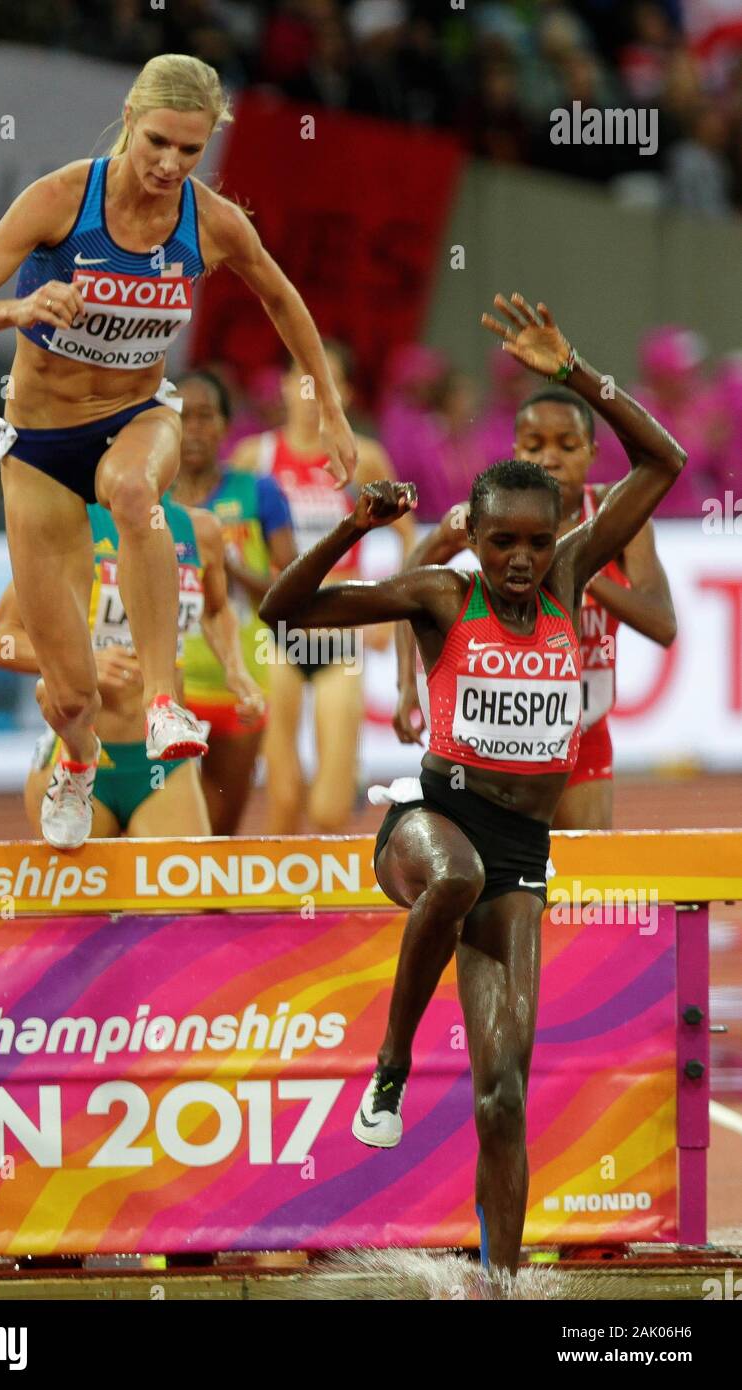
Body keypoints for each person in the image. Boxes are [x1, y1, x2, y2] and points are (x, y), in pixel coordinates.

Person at [259, 293, 686, 1275]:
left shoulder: (573, 572)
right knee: (449, 878)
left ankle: (500, 1283)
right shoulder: (439, 594)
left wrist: (578, 368)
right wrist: (350, 528)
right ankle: (390, 1070)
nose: (523, 562)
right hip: (426, 823)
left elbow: (660, 463)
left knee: (503, 1096)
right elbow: (287, 612)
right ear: (474, 539)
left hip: (518, 857)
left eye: (537, 542)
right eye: (503, 543)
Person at [0, 53, 356, 848]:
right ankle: (79, 759)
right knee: (74, 694)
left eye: (190, 150)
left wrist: (325, 406)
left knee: (132, 491)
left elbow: (283, 298)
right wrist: (22, 306)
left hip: (136, 416)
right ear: (128, 118)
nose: (169, 164)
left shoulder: (211, 221)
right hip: (39, 441)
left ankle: (165, 703)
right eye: (158, 141)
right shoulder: (60, 199)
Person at [393, 385, 677, 829]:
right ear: (515, 450)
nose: (550, 457)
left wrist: (582, 573)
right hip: (496, 741)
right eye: (534, 445)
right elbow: (410, 577)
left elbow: (662, 624)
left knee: (587, 888)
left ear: (591, 451)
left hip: (583, 730)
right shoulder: (484, 516)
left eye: (567, 445)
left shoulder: (614, 517)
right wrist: (405, 682)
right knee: (501, 885)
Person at [0, 493, 263, 840]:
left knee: (185, 890)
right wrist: (80, 663)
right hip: (79, 762)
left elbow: (216, 609)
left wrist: (235, 669)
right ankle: (78, 760)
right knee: (85, 895)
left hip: (163, 762)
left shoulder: (199, 529)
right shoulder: (73, 527)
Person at [232, 342, 416, 833]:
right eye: (305, 379)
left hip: (340, 633)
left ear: (346, 395)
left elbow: (409, 536)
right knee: (284, 798)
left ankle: (341, 801)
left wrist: (391, 612)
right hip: (277, 635)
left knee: (330, 810)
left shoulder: (366, 458)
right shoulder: (256, 457)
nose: (313, 394)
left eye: (327, 382)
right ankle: (289, 906)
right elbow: (227, 533)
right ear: (287, 387)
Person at [169, 370, 296, 834]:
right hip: (167, 689)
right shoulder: (143, 497)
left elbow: (289, 590)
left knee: (220, 835)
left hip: (239, 687)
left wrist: (226, 563)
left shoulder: (258, 491)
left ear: (226, 426)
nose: (194, 429)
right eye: (182, 417)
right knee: (166, 836)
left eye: (206, 417)